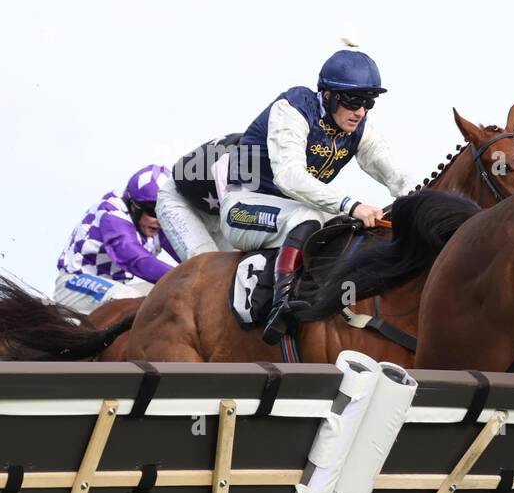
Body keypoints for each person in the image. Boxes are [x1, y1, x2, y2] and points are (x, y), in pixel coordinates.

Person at [218, 47, 413, 343]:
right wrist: (352, 205)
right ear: (327, 95)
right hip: (243, 208)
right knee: (308, 217)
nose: (360, 111)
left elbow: (395, 173)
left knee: (344, 229)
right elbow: (289, 176)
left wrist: (422, 203)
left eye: (368, 102)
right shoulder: (293, 108)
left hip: (292, 211)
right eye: (352, 100)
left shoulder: (358, 127)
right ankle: (280, 308)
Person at [54, 165, 178, 314]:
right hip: (73, 284)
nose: (159, 219)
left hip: (114, 286)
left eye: (165, 211)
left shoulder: (155, 221)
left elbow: (189, 253)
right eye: (153, 211)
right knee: (130, 299)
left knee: (170, 298)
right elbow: (135, 259)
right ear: (134, 206)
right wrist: (184, 279)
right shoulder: (111, 211)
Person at [158, 133, 243, 260]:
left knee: (231, 271)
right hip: (182, 200)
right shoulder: (251, 152)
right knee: (211, 267)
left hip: (221, 213)